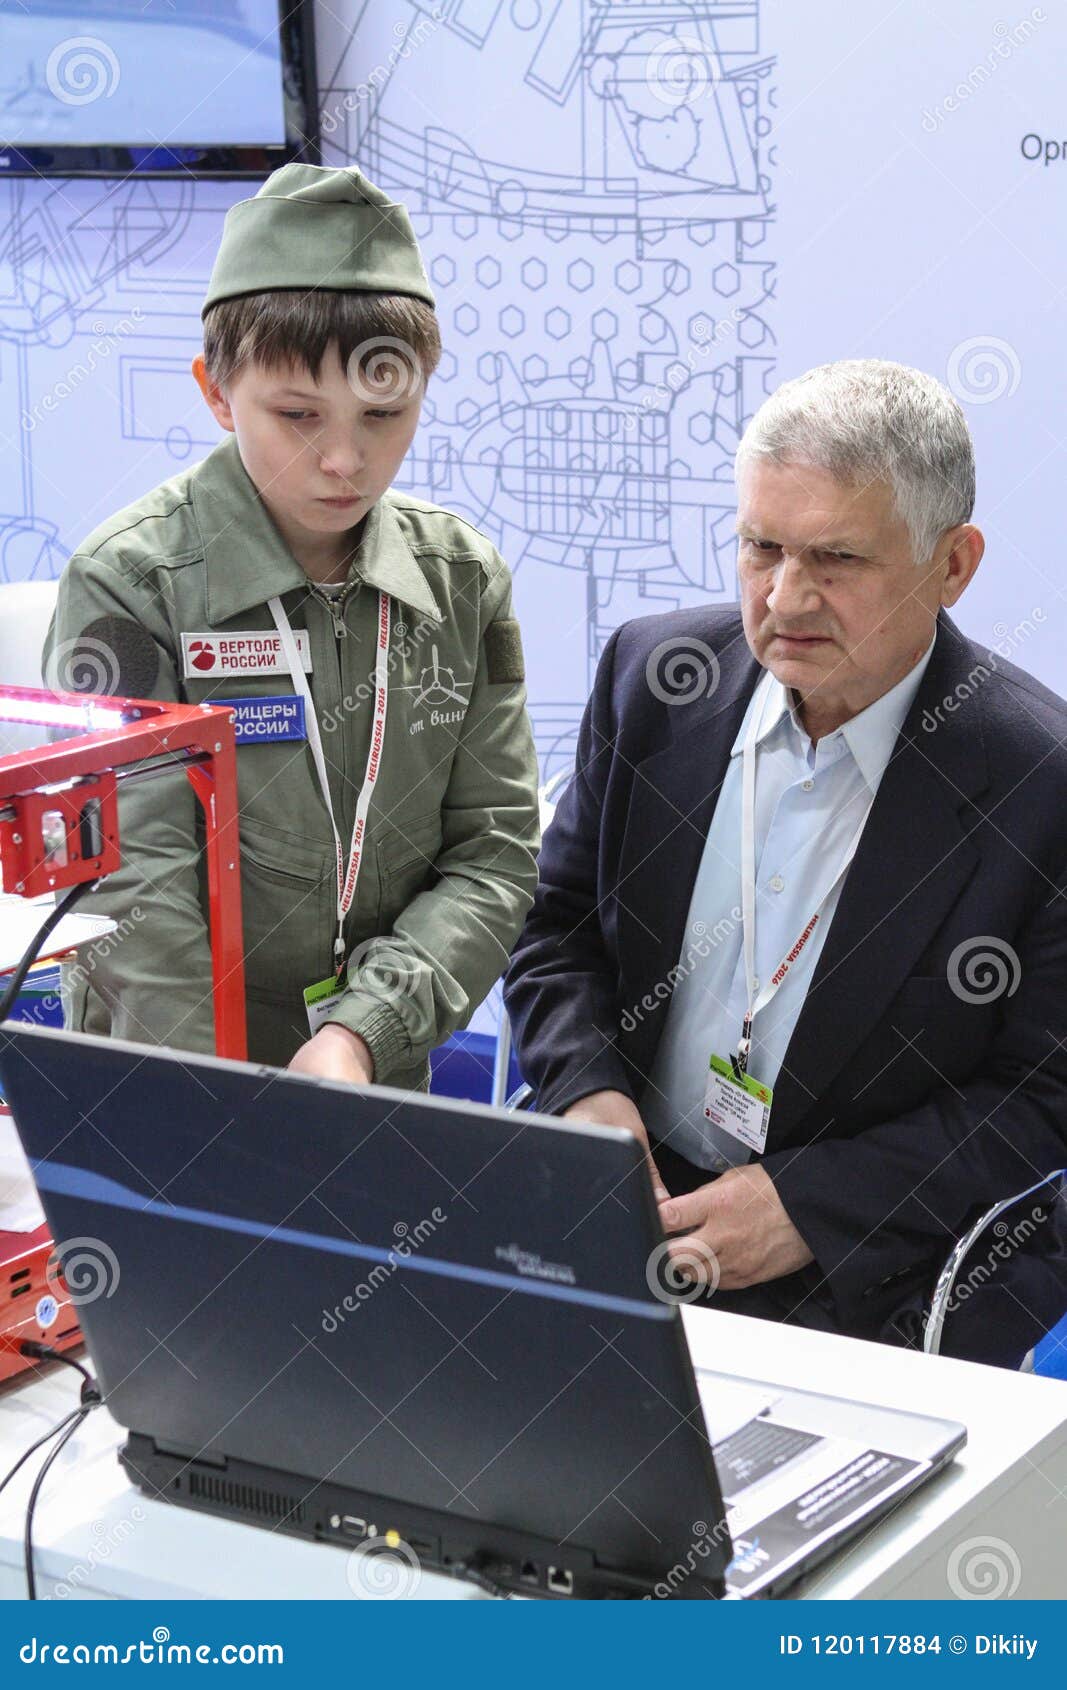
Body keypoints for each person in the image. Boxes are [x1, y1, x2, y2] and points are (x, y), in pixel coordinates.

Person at [504, 358, 1067, 1368]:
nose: (785, 596)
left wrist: (806, 1206)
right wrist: (585, 1096)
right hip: (631, 1210)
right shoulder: (652, 677)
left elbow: (1040, 1099)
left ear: (952, 564)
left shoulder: (1038, 783)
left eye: (836, 559)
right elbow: (556, 930)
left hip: (870, 1266)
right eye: (760, 546)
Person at [44, 163, 540, 1091]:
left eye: (383, 416)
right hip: (165, 1072)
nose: (344, 460)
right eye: (298, 416)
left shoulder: (460, 581)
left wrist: (362, 1032)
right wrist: (225, 1107)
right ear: (216, 391)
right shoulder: (133, 582)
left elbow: (494, 852)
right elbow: (129, 883)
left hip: (368, 1069)